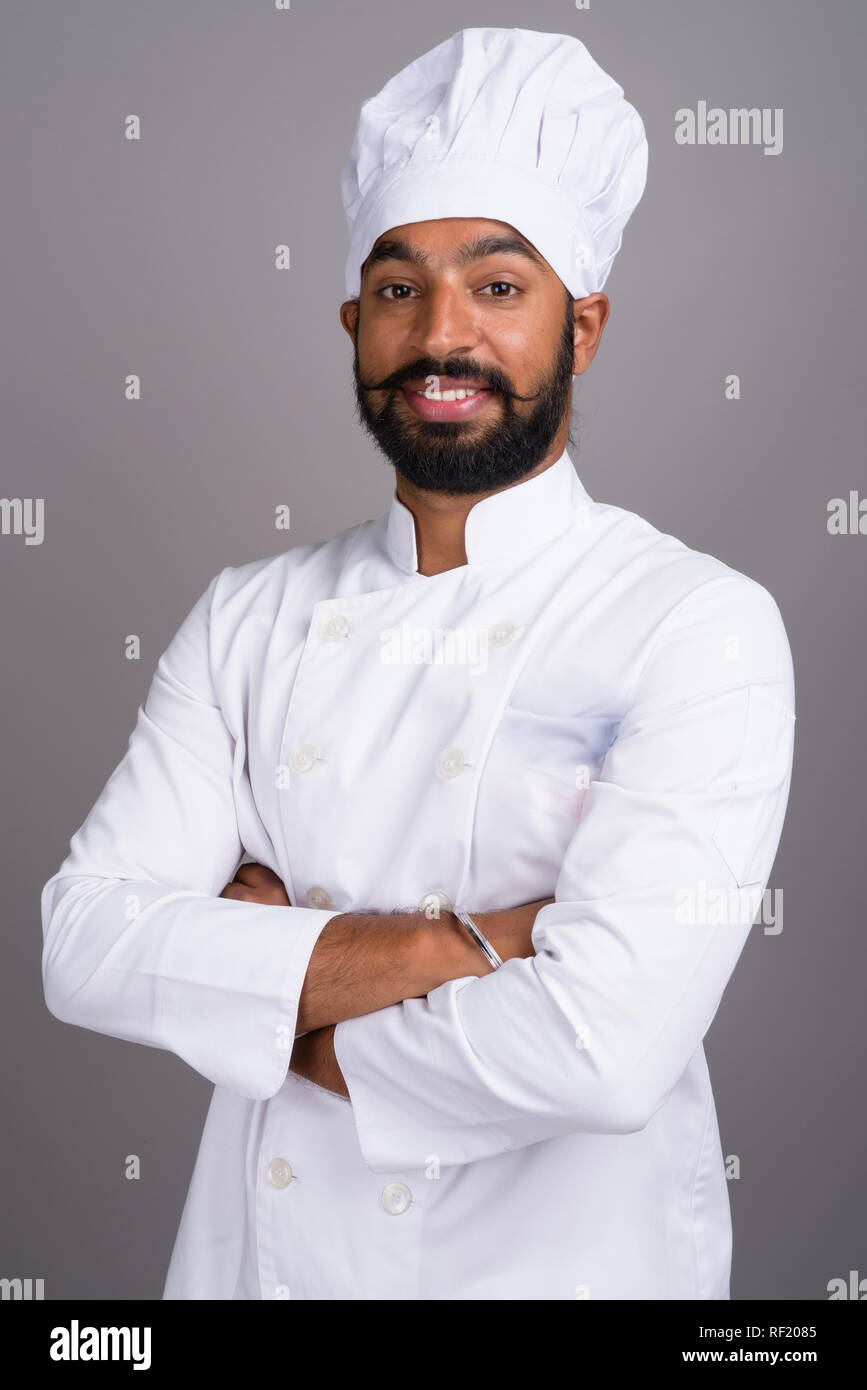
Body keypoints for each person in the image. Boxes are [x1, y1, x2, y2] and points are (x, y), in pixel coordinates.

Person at [41, 26, 796, 1300]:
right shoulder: (247, 617)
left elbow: (601, 1047)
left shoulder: (693, 622)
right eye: (399, 288)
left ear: (585, 327)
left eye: (499, 287)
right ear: (354, 322)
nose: (442, 336)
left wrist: (273, 1000)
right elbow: (84, 941)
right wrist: (468, 943)